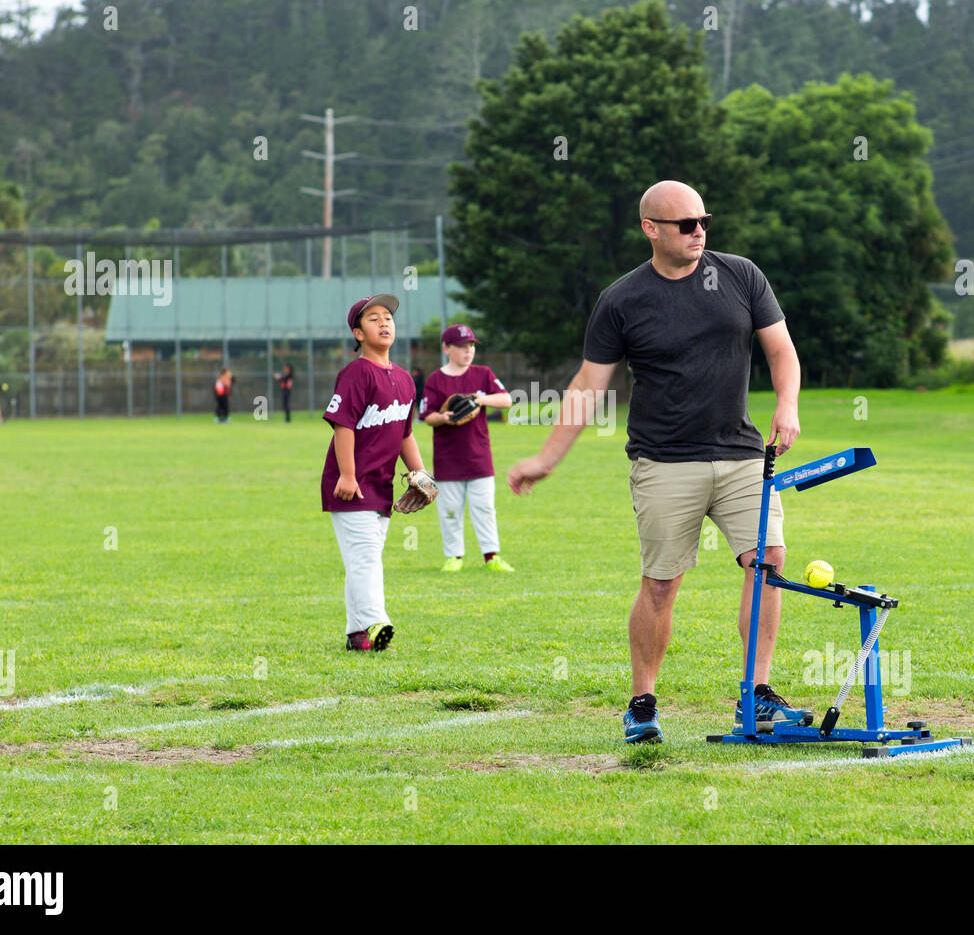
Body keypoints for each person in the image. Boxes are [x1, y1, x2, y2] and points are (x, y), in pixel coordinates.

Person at [508, 180, 803, 744]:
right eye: (685, 224)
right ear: (650, 229)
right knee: (662, 584)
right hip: (664, 461)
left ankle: (756, 695)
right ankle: (642, 702)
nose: (699, 233)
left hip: (742, 453)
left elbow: (781, 350)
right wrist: (547, 458)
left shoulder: (741, 276)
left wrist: (786, 407)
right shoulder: (623, 299)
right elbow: (588, 385)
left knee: (768, 561)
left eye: (704, 222)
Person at [322, 293, 430, 652]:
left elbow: (405, 433)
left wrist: (419, 473)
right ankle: (376, 620)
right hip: (350, 485)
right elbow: (343, 426)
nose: (384, 323)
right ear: (357, 333)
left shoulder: (403, 377)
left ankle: (357, 635)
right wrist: (348, 475)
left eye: (388, 317)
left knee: (363, 558)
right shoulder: (356, 373)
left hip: (381, 486)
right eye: (373, 319)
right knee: (365, 555)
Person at [419, 324, 515, 573]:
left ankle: (491, 556)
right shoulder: (435, 379)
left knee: (484, 507)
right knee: (450, 511)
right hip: (448, 457)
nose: (468, 350)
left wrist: (480, 399)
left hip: (479, 455)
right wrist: (445, 417)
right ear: (446, 348)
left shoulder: (483, 374)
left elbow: (506, 399)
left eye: (471, 345)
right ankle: (454, 557)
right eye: (462, 346)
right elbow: (426, 416)